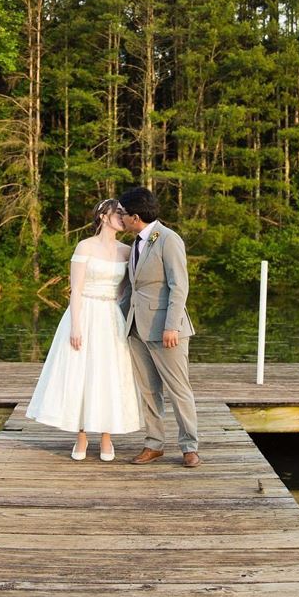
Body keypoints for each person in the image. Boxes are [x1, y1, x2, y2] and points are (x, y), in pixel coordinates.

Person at [26, 198, 141, 461]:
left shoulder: (127, 250)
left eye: (124, 214)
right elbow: (75, 289)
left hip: (110, 316)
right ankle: (80, 436)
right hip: (85, 313)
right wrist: (76, 326)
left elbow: (125, 289)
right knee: (81, 372)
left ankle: (106, 437)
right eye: (117, 213)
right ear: (103, 216)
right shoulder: (85, 246)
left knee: (108, 374)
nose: (122, 218)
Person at [117, 187, 200, 468]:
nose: (120, 218)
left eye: (122, 214)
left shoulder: (168, 239)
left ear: (135, 216)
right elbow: (133, 289)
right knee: (149, 391)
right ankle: (154, 444)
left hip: (167, 330)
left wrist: (172, 326)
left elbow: (180, 286)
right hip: (137, 330)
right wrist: (116, 318)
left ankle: (189, 447)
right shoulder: (135, 245)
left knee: (179, 390)